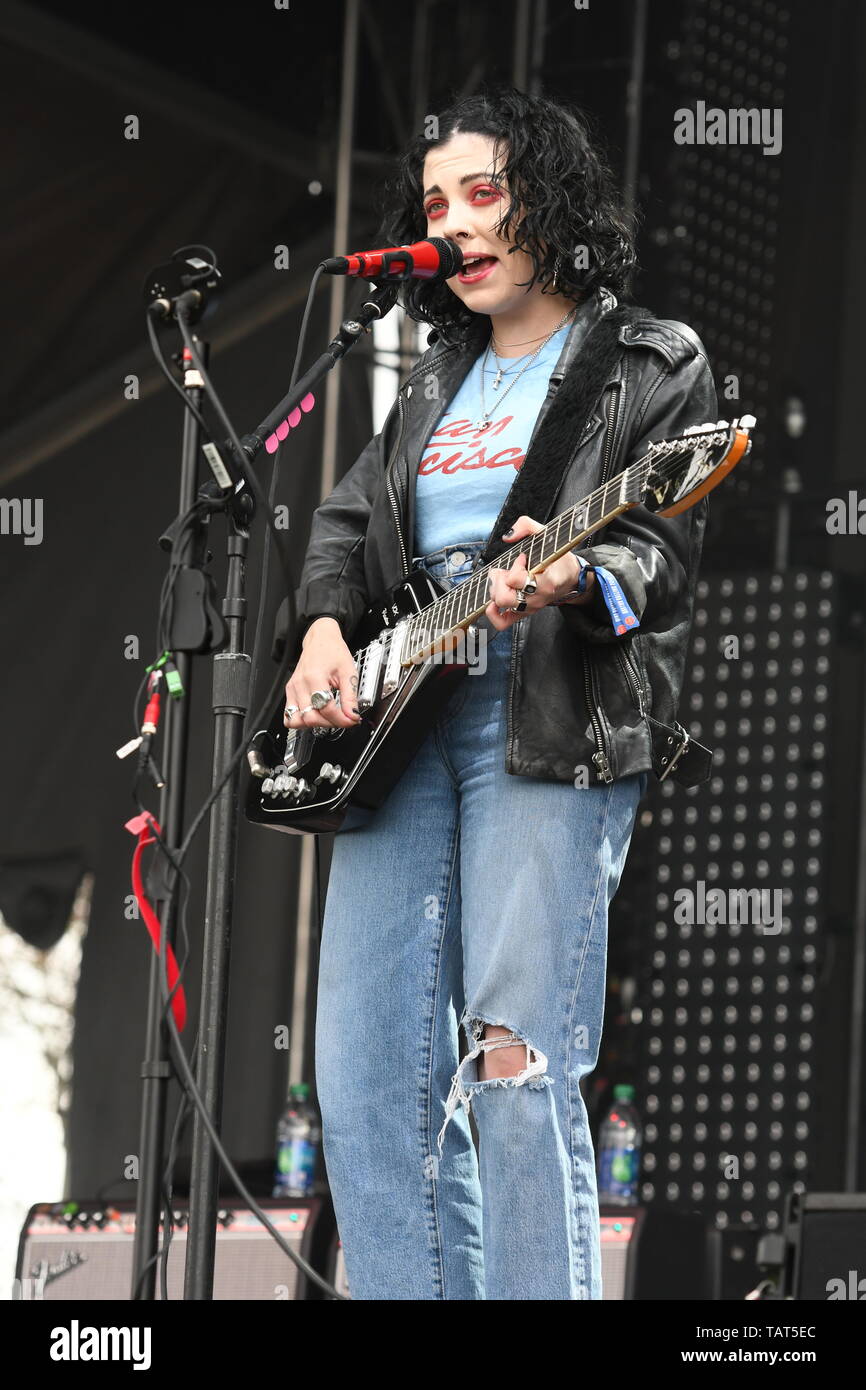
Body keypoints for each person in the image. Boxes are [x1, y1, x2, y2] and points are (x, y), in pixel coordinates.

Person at [280, 87, 718, 1300]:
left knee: (514, 1059)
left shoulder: (647, 358)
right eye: (435, 205)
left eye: (484, 194)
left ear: (551, 203)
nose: (456, 225)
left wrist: (578, 571)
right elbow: (341, 528)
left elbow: (664, 551)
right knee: (363, 1072)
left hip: (546, 717)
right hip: (403, 725)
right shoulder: (431, 376)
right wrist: (321, 629)